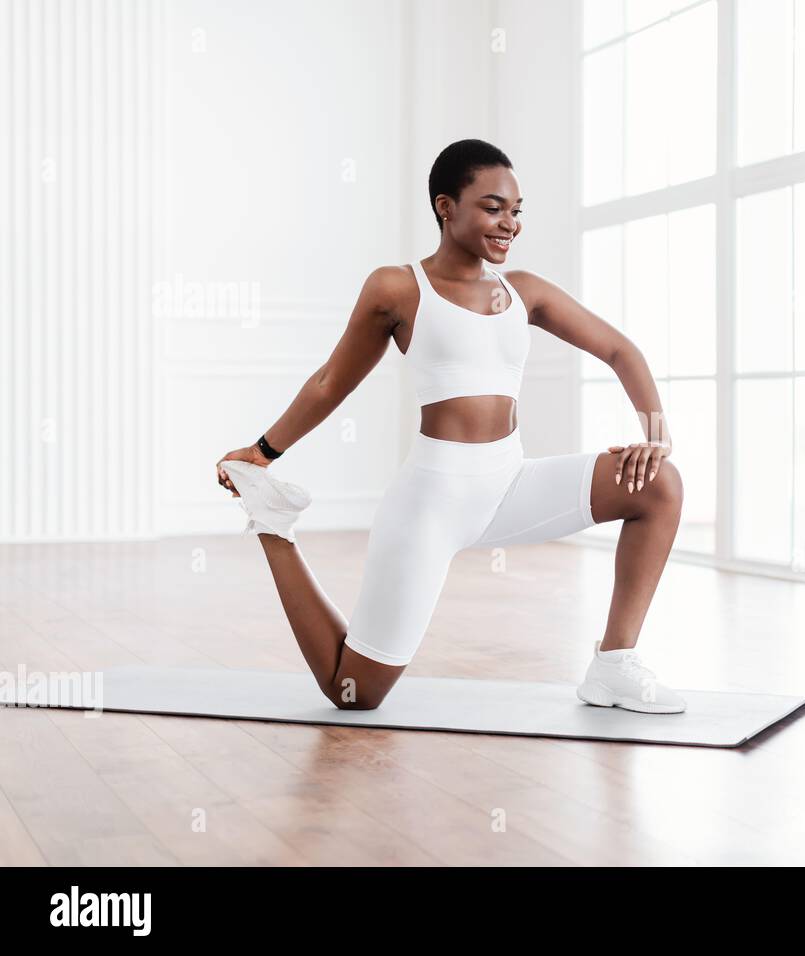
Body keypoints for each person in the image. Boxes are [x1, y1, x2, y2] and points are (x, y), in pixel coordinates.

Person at [215, 139, 686, 715]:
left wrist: (656, 438)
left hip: (511, 485)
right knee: (355, 692)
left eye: (516, 210)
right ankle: (273, 525)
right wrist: (264, 452)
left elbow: (620, 350)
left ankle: (613, 665)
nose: (509, 223)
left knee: (661, 485)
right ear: (446, 206)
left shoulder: (524, 293)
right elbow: (330, 382)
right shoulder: (396, 288)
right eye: (493, 207)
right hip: (431, 500)